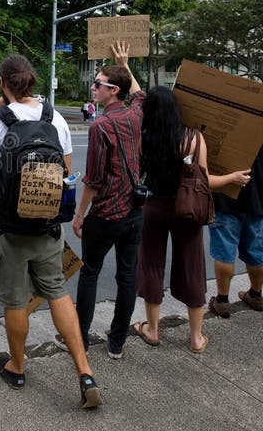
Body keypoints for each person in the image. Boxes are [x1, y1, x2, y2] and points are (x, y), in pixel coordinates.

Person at [0, 53, 102, 409]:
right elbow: (65, 170)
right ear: (32, 81)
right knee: (57, 292)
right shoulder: (56, 118)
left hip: (10, 229)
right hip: (48, 226)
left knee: (16, 299)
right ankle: (85, 372)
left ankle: (17, 367)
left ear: (3, 83)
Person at [133, 86, 251, 352]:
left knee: (151, 265)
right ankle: (196, 337)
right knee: (192, 267)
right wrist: (232, 178)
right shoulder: (193, 138)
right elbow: (205, 181)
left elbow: (139, 174)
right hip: (187, 209)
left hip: (154, 207)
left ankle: (152, 329)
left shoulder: (144, 139)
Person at [73, 42, 145, 359]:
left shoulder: (101, 126)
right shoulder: (136, 115)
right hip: (134, 212)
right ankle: (117, 343)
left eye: (98, 83)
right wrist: (124, 64)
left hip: (106, 213)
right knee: (127, 277)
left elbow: (94, 179)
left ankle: (80, 340)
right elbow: (141, 95)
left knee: (90, 272)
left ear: (113, 90)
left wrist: (79, 215)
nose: (93, 87)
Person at [209, 144, 262, 318]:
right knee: (257, 250)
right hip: (257, 196)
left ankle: (222, 300)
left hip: (225, 195)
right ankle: (256, 295)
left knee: (225, 251)